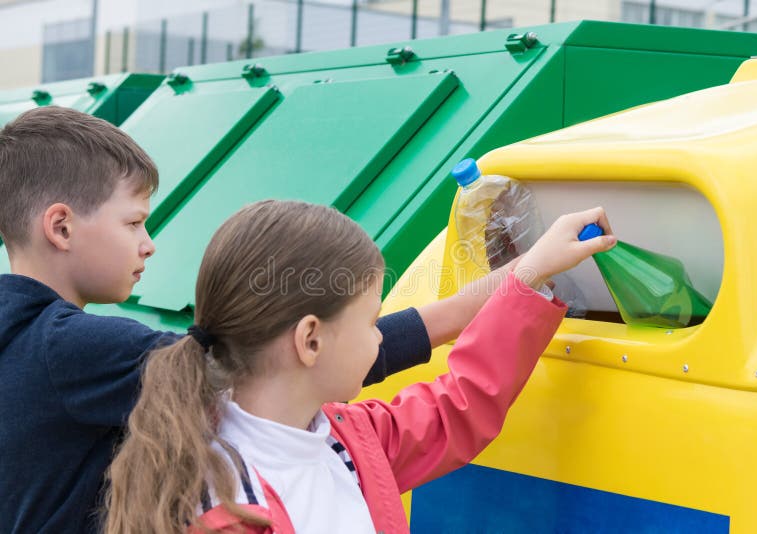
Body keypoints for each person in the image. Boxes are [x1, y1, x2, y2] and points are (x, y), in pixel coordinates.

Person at [0, 107, 518, 533]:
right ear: (61, 227)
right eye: (133, 222)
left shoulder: (20, 333)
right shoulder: (74, 349)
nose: (148, 244)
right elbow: (271, 364)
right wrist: (474, 303)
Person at [104, 200, 616, 533]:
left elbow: (457, 407)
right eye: (372, 321)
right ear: (310, 340)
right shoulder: (228, 510)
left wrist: (530, 275)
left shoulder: (343, 439)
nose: (379, 338)